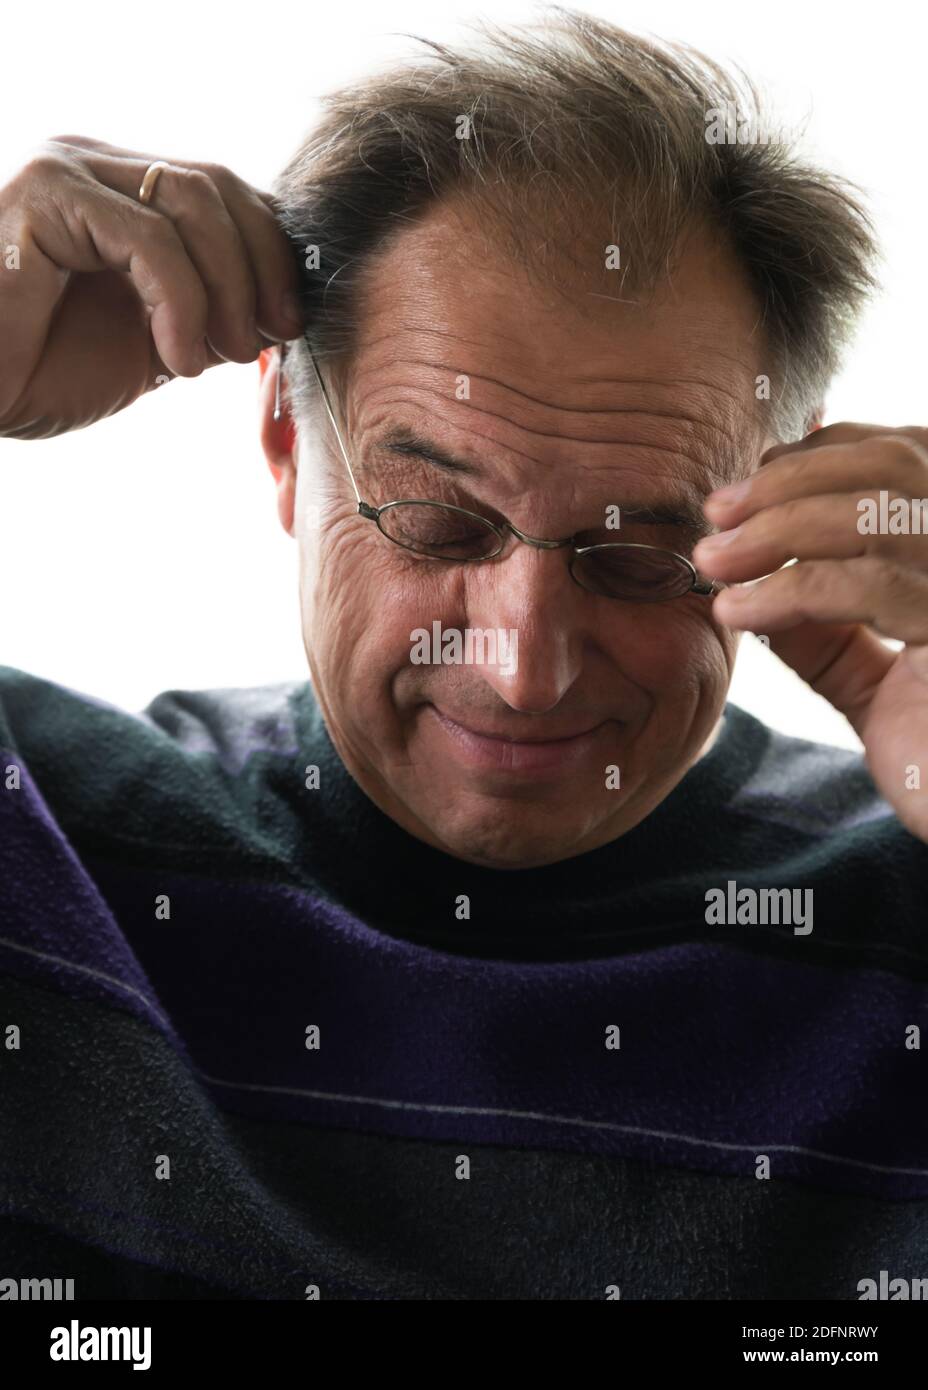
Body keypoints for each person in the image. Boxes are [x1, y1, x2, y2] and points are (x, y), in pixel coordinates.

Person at [1, 10, 926, 1301]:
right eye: (438, 521)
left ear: (785, 487)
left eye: (643, 547)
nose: (522, 667)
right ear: (284, 439)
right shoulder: (44, 840)